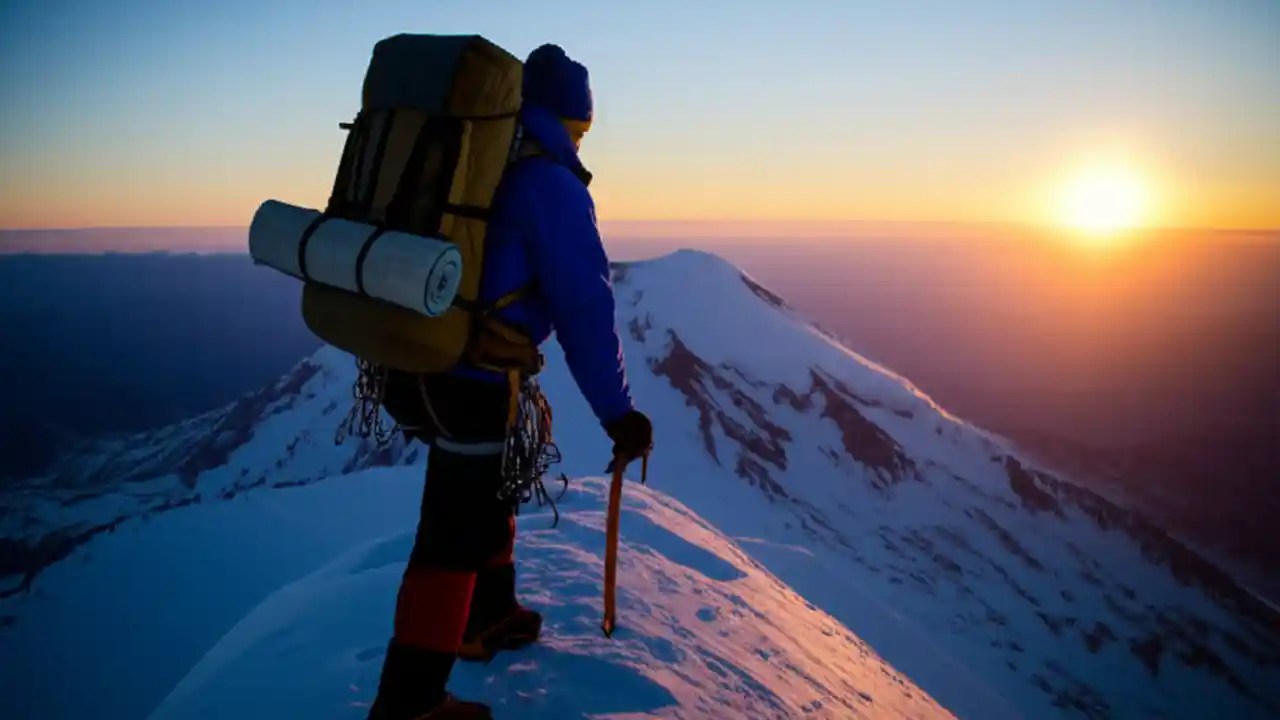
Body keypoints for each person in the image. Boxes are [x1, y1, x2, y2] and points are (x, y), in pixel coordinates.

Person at [368, 43, 654, 720]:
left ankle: (485, 616)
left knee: (481, 497)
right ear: (568, 121)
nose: (583, 141)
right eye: (582, 128)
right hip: (474, 379)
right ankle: (409, 704)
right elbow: (585, 309)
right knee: (450, 537)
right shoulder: (549, 186)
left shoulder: (479, 164)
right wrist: (619, 414)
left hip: (422, 362)